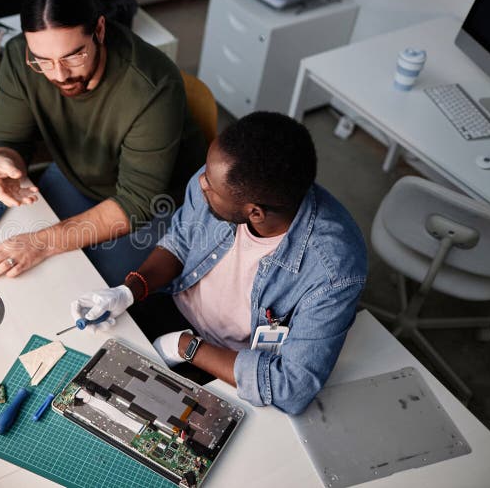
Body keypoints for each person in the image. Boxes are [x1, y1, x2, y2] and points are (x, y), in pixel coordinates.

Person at [70, 112, 368, 415]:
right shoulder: (222, 175)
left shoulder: (335, 271)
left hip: (228, 363)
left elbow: (290, 387)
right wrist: (128, 291)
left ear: (255, 213)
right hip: (172, 307)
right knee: (84, 376)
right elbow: (180, 243)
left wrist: (186, 348)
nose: (201, 183)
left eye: (211, 185)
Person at [0, 0, 206, 286]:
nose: (58, 74)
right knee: (9, 256)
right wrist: (2, 160)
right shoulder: (20, 56)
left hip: (157, 206)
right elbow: (6, 138)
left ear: (99, 29)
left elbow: (135, 202)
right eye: (43, 60)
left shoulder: (152, 86)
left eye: (74, 56)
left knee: (80, 285)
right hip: (80, 177)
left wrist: (43, 242)